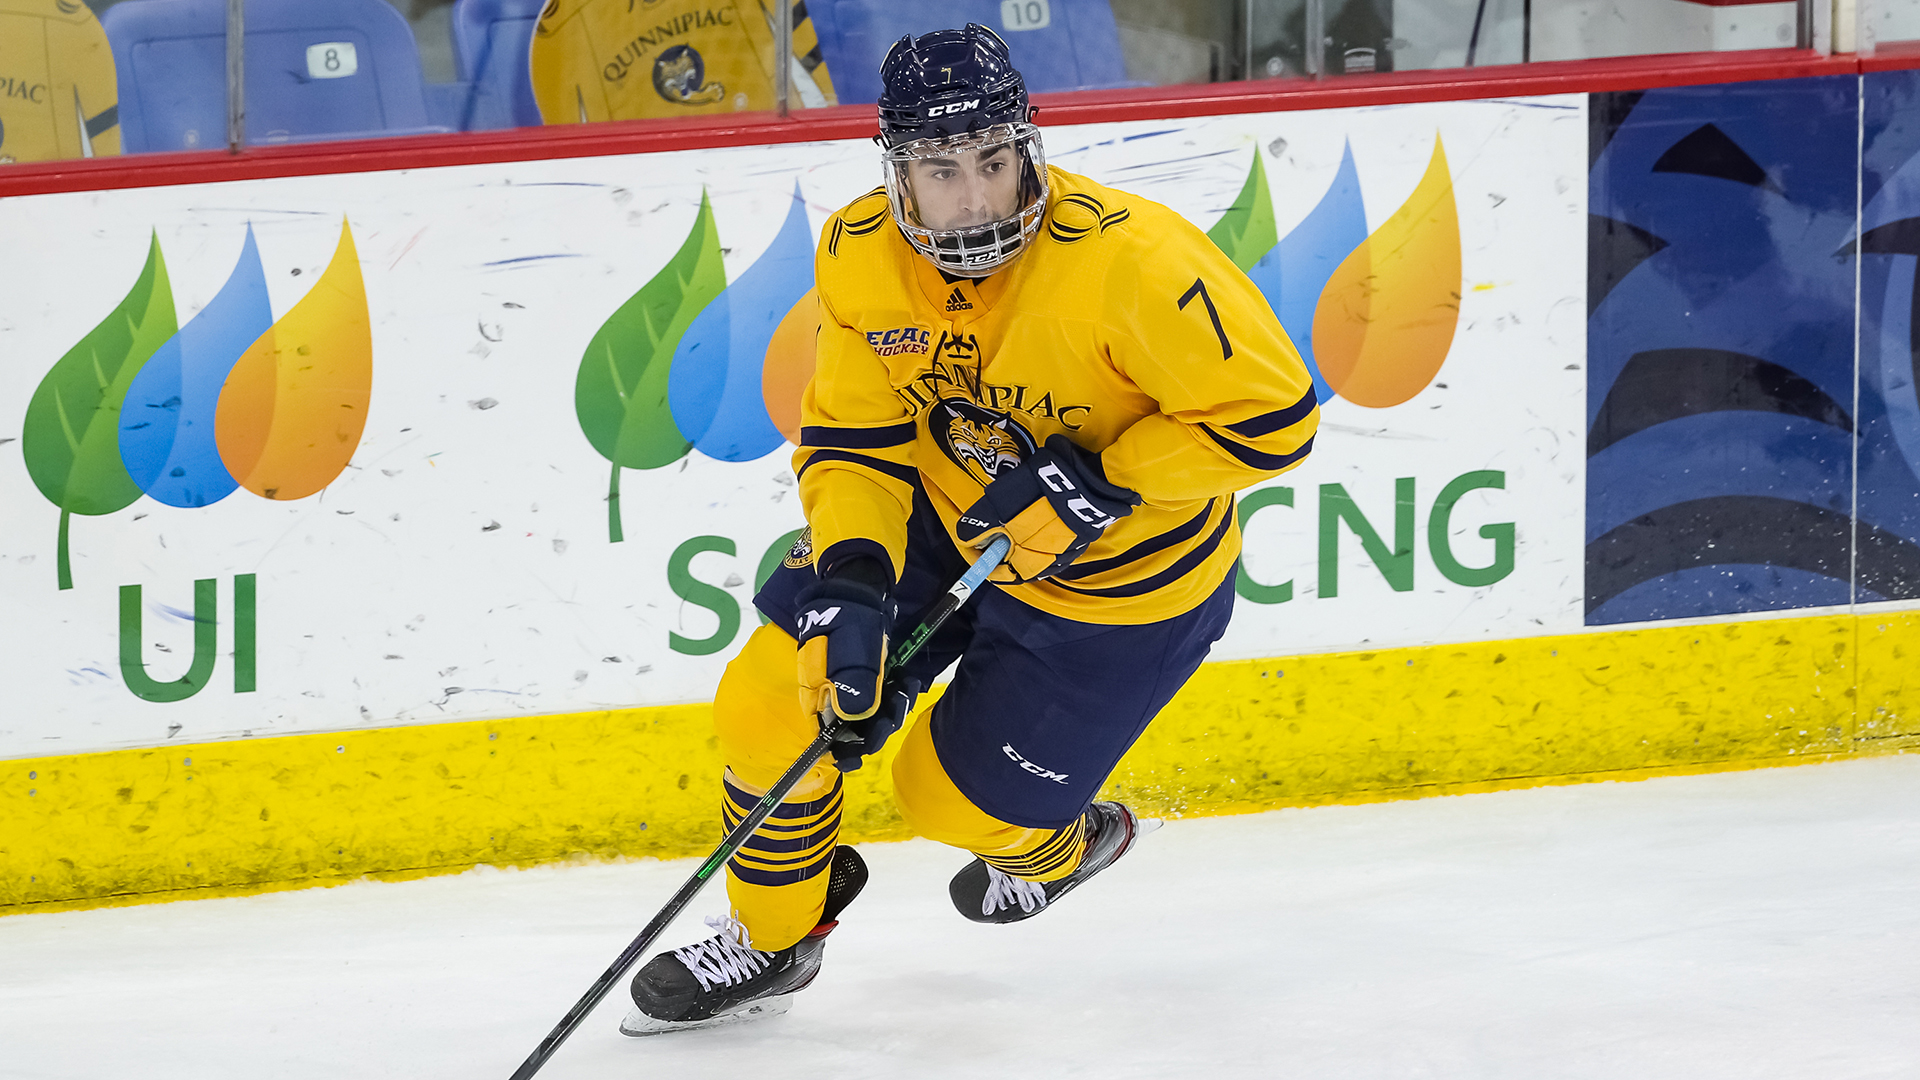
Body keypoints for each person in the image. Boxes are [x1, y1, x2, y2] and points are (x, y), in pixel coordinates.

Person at [620, 23, 1319, 1036]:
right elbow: (854, 442)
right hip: (950, 519)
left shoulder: (1136, 260)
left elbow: (1275, 420)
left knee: (940, 802)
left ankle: (1062, 847)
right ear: (897, 169)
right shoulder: (860, 252)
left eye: (995, 160)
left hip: (1122, 578)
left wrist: (1106, 482)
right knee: (777, 702)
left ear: (1027, 147)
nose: (977, 197)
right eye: (941, 169)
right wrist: (856, 587)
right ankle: (777, 937)